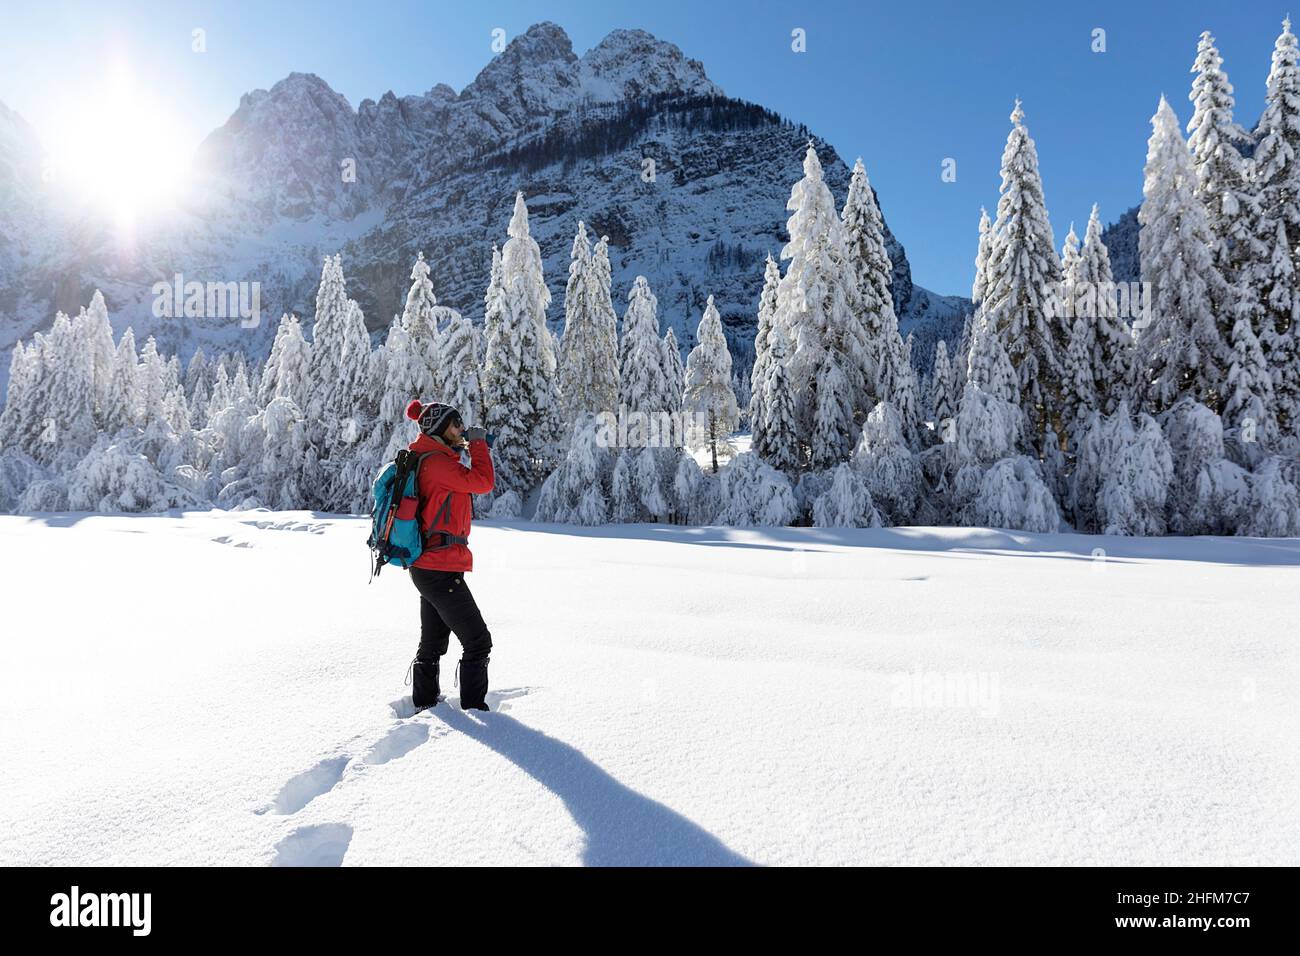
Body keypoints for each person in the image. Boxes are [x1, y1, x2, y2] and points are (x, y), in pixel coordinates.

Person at [402, 399, 495, 711]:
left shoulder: (431, 458)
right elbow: (482, 482)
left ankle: (425, 704)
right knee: (478, 641)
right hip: (438, 567)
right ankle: (475, 708)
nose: (461, 429)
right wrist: (479, 446)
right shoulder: (439, 465)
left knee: (432, 642)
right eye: (456, 424)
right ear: (440, 428)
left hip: (429, 565)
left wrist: (469, 446)